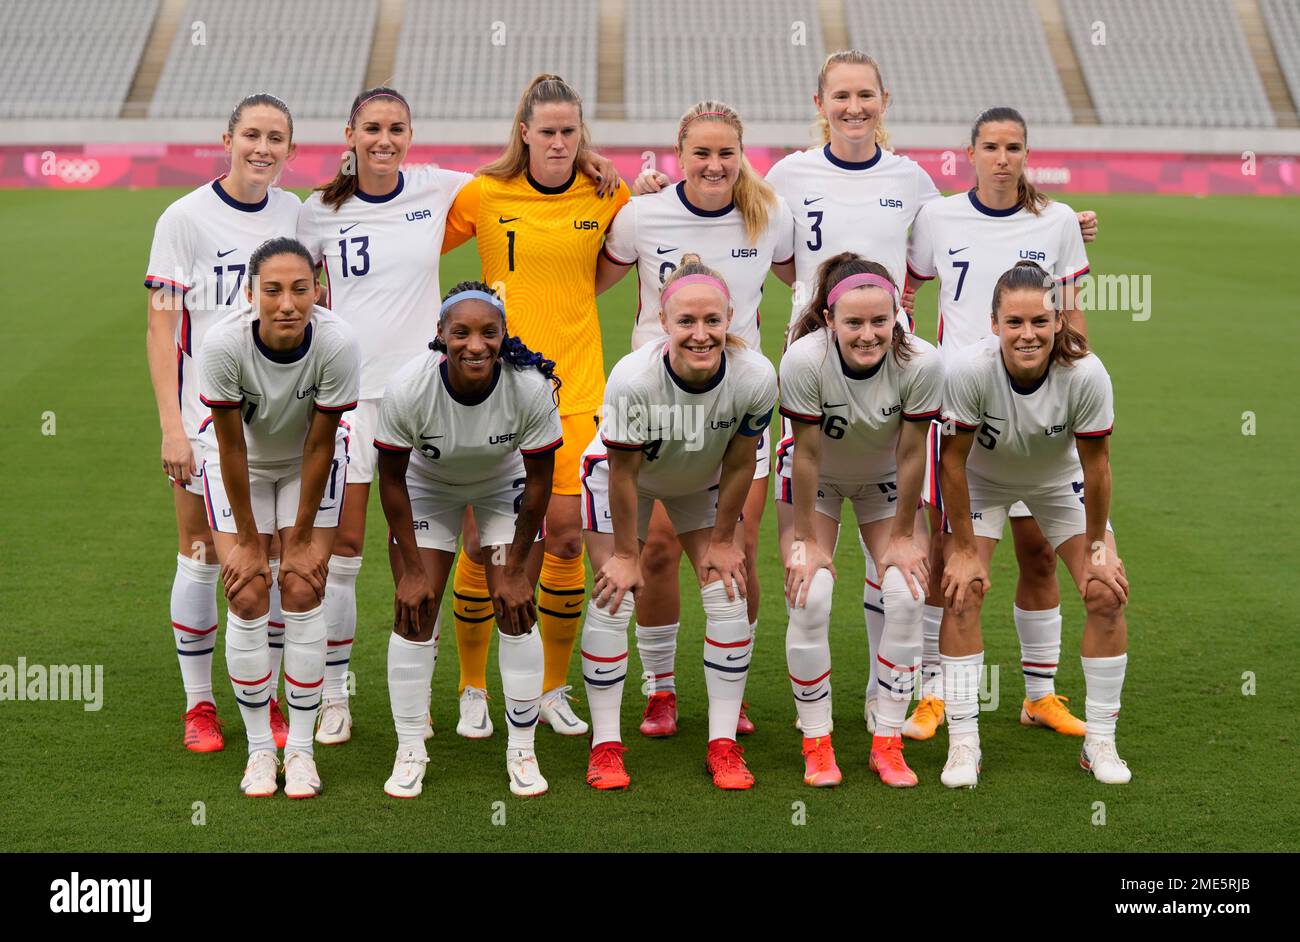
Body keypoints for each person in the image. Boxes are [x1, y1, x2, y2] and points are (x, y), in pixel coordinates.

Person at [595, 100, 795, 738]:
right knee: (653, 551)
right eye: (700, 153)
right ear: (677, 156)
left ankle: (730, 690)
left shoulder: (770, 217)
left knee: (735, 552)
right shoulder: (643, 215)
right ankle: (661, 688)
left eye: (725, 153)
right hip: (654, 407)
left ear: (742, 155)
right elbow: (590, 279)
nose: (713, 164)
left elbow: (810, 279)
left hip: (737, 409)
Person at [442, 74, 628, 741]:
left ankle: (552, 685)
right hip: (490, 393)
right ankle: (471, 686)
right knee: (485, 542)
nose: (557, 142)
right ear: (523, 132)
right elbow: (414, 245)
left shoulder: (607, 193)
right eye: (546, 131)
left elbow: (613, 264)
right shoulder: (483, 193)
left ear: (583, 136)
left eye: (569, 132)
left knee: (567, 538)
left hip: (577, 393)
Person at [904, 106, 1092, 741]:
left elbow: (1070, 313)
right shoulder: (938, 217)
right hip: (961, 411)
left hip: (1039, 408)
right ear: (972, 152)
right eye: (991, 146)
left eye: (1014, 146)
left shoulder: (1058, 221)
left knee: (1038, 550)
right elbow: (907, 291)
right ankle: (933, 691)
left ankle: (1039, 695)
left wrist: (1078, 388)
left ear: (1026, 154)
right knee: (944, 551)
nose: (1003, 157)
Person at [578, 256, 777, 791]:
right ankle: (606, 747)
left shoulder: (755, 375)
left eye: (712, 320)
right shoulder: (634, 377)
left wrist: (720, 541)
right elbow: (623, 472)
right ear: (663, 323)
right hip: (626, 479)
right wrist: (625, 554)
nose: (701, 333)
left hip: (702, 478)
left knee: (728, 592)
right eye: (686, 322)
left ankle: (722, 745)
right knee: (612, 594)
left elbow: (740, 462)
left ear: (730, 318)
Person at [145, 93, 302, 753]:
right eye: (252, 135)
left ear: (289, 149)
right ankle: (199, 704)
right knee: (205, 555)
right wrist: (171, 428)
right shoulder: (184, 218)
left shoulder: (294, 213)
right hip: (206, 424)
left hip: (280, 426)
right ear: (228, 137)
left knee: (265, 560)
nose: (263, 149)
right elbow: (160, 328)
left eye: (276, 138)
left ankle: (261, 702)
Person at [937, 261, 1130, 787]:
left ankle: (1101, 742)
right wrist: (962, 548)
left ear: (1058, 323)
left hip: (1055, 479)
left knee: (1105, 591)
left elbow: (1097, 466)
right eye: (1015, 322)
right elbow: (951, 461)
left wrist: (1096, 547)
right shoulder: (969, 369)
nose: (1028, 334)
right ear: (994, 323)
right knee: (962, 589)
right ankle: (963, 743)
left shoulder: (1086, 373)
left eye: (1040, 322)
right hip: (982, 479)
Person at [374, 282, 563, 798]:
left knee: (516, 607)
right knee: (415, 610)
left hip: (504, 491)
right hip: (427, 488)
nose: (475, 345)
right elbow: (391, 481)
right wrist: (412, 571)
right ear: (441, 335)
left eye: (488, 332)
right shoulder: (410, 387)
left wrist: (519, 566)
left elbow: (540, 482)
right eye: (461, 333)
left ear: (503, 335)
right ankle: (410, 747)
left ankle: (521, 749)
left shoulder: (529, 387)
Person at [197, 237, 359, 797]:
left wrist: (303, 539)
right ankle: (262, 750)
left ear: (317, 289)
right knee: (245, 591)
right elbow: (230, 448)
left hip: (305, 464)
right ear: (251, 294)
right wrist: (247, 538)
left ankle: (303, 750)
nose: (287, 303)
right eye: (273, 290)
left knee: (300, 585)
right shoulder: (222, 345)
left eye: (299, 289)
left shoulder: (337, 343)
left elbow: (320, 447)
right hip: (238, 462)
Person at [779, 253, 941, 788]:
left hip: (886, 484)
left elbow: (915, 452)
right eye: (854, 322)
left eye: (880, 320)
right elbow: (804, 454)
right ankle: (817, 742)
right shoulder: (804, 361)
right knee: (811, 592)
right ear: (829, 319)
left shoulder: (921, 361)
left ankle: (888, 742)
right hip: (816, 484)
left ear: (897, 314)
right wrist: (805, 538)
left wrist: (900, 537)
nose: (868, 334)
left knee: (908, 591)